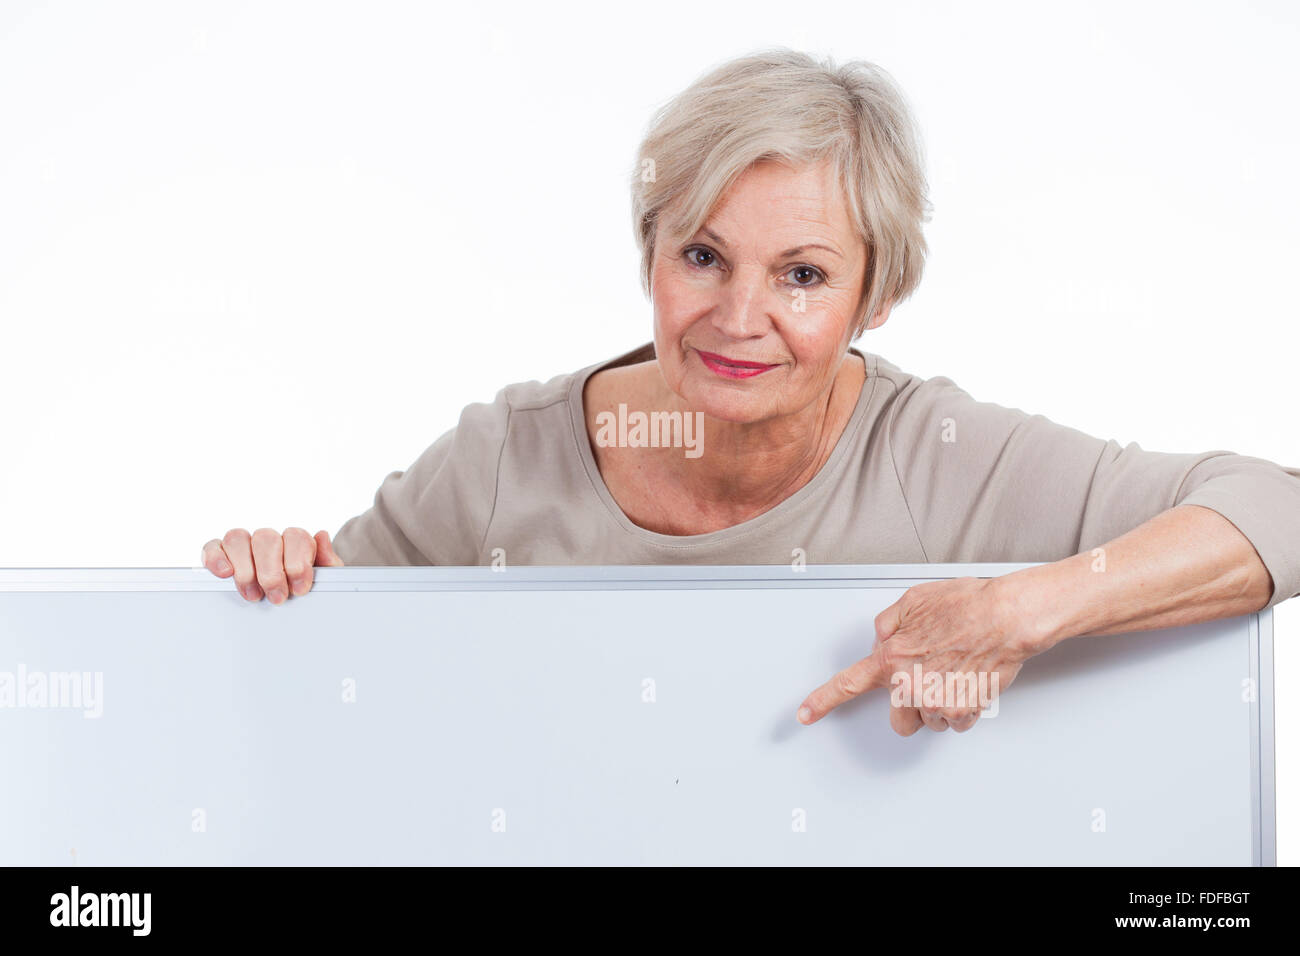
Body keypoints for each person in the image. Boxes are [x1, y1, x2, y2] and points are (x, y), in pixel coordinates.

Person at [202, 48, 1300, 736]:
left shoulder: (945, 453)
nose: (737, 317)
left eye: (803, 275)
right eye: (702, 256)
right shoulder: (503, 459)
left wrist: (1012, 613)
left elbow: (1279, 508)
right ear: (649, 255)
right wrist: (278, 582)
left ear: (878, 297)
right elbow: (324, 695)